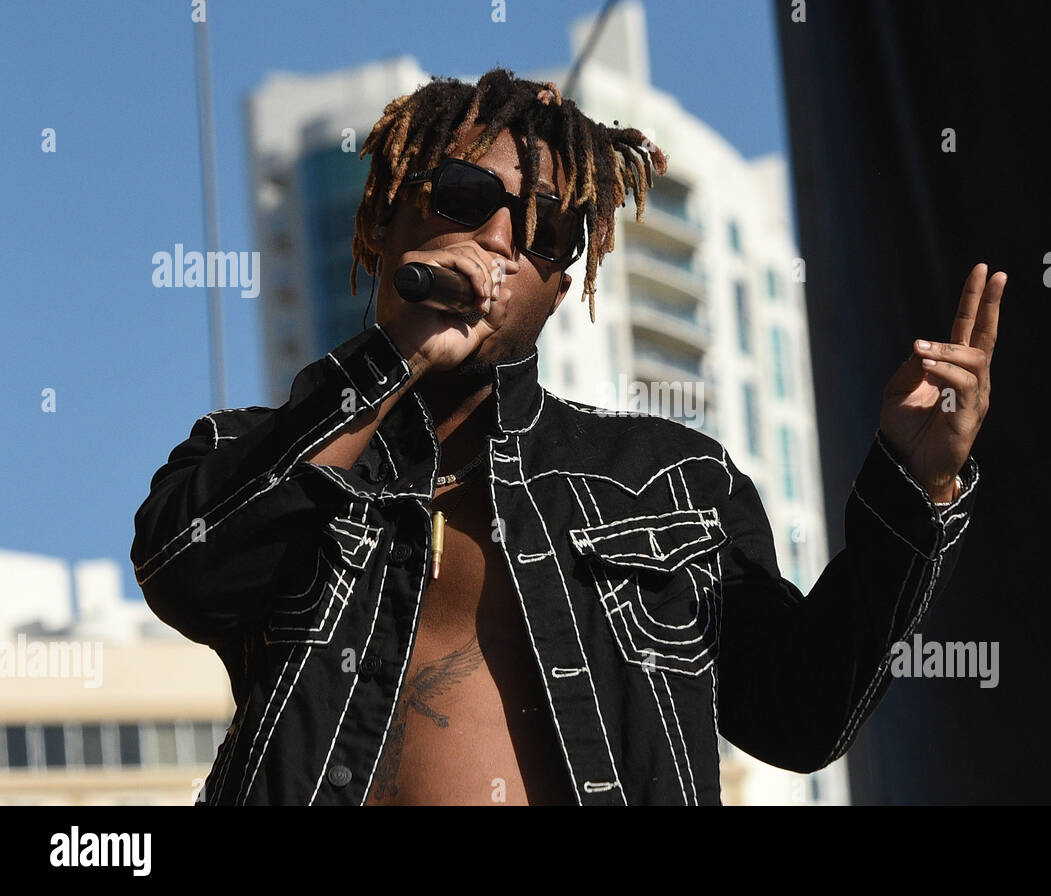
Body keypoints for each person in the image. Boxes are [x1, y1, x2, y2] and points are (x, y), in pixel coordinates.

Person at [131, 67, 1004, 806]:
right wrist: (395, 358)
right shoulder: (255, 453)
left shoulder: (673, 479)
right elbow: (188, 575)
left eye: (549, 228)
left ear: (564, 282)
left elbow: (802, 717)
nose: (504, 238)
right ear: (380, 220)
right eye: (468, 197)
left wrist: (914, 487)